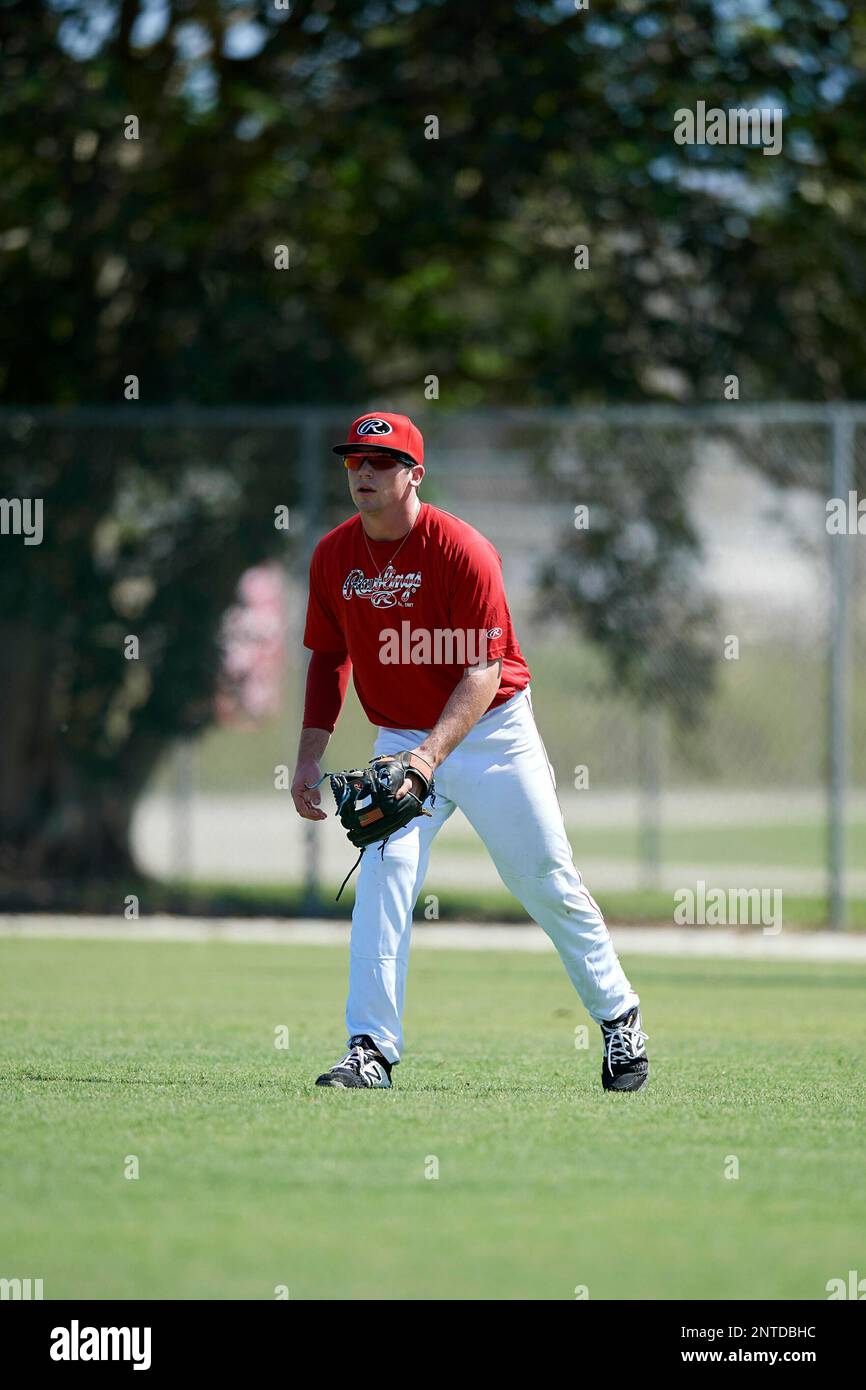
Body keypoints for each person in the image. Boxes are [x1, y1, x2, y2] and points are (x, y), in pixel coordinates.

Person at [292, 412, 648, 1092]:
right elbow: (328, 656)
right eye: (353, 462)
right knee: (383, 884)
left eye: (380, 462)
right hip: (400, 736)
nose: (363, 473)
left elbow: (481, 672)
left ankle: (619, 1017)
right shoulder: (334, 555)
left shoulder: (463, 550)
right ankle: (370, 1048)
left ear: (414, 474)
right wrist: (309, 756)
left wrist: (428, 762)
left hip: (491, 733)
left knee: (544, 879)